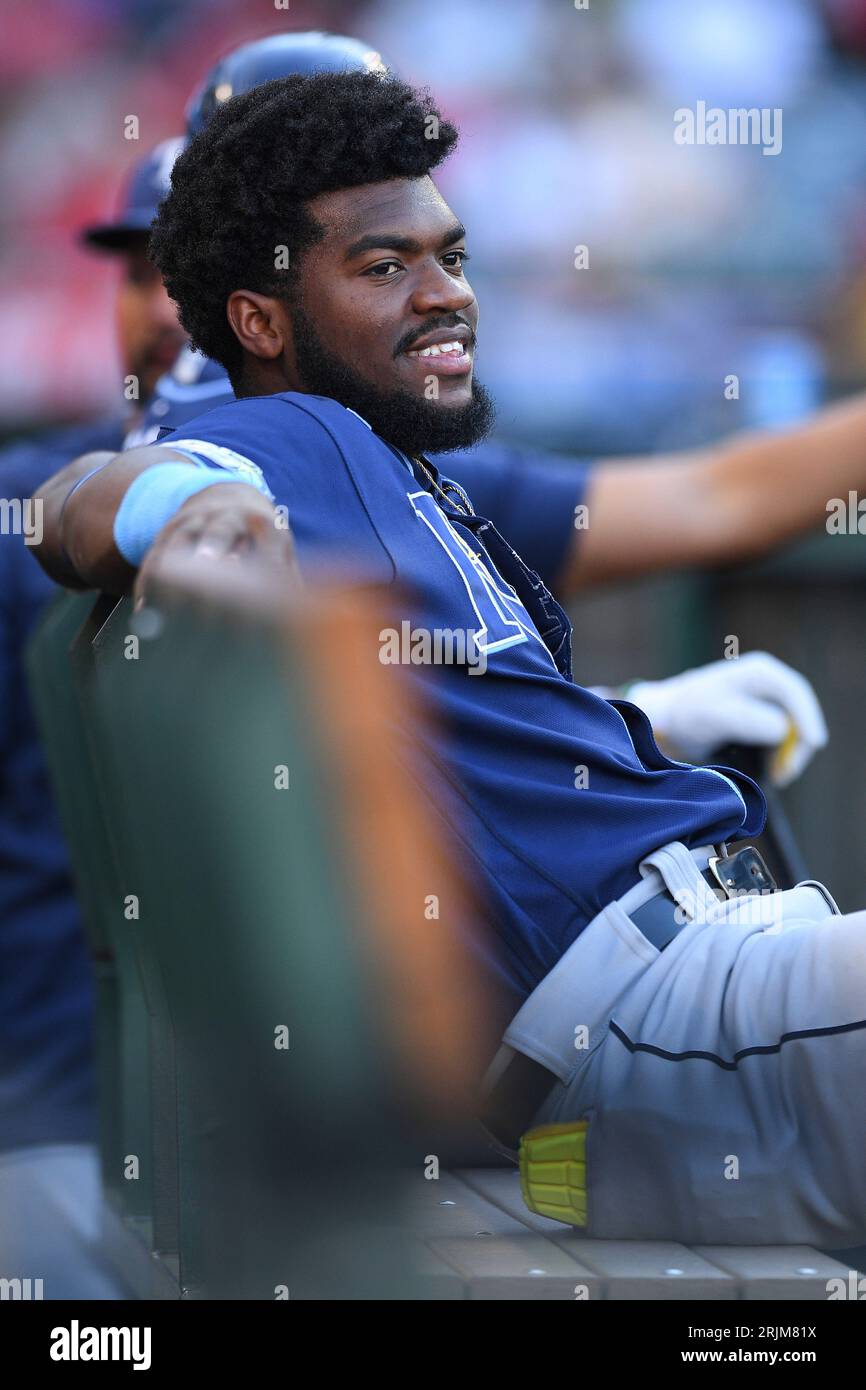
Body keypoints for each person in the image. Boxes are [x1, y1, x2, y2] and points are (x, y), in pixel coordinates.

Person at [32, 71, 866, 1249]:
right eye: (384, 268)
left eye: (452, 256)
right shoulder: (292, 431)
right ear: (261, 321)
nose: (447, 297)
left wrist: (633, 716)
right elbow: (83, 497)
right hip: (654, 1022)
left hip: (676, 1037)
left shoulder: (404, 463)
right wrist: (174, 508)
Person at [0, 138, 184, 1297]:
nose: (162, 308)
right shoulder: (24, 504)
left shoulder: (404, 494)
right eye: (138, 270)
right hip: (57, 1111)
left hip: (323, 1133)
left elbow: (694, 500)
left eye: (199, 271)